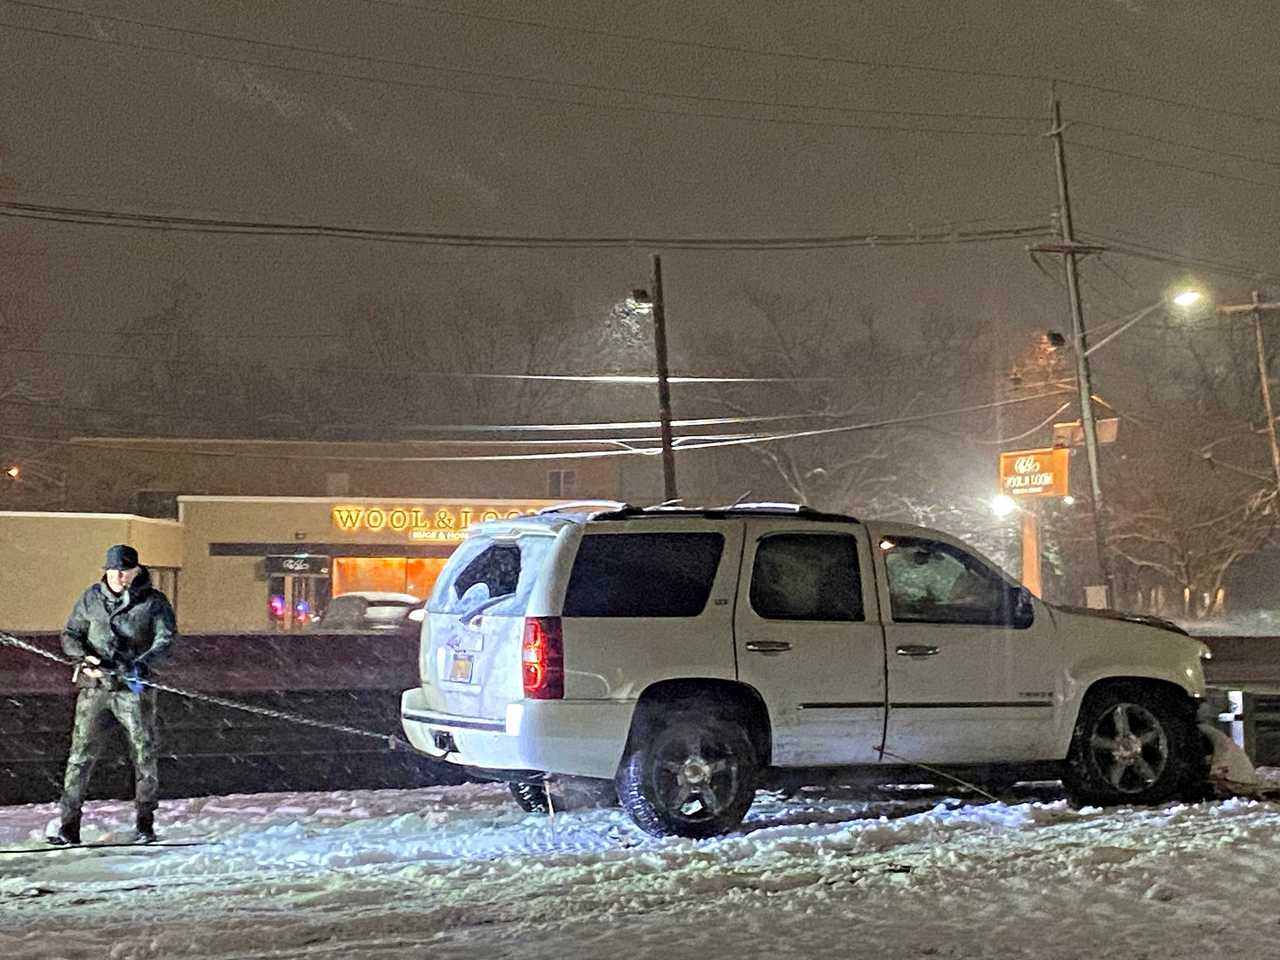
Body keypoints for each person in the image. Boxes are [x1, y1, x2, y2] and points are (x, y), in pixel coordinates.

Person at [50, 544, 177, 845]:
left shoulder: (154, 602)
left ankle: (145, 824)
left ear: (136, 571)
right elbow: (71, 634)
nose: (119, 576)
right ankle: (68, 826)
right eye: (113, 571)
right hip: (95, 689)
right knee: (80, 757)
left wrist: (141, 664)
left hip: (133, 689)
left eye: (125, 571)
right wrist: (83, 657)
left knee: (144, 754)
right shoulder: (91, 598)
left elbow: (166, 639)